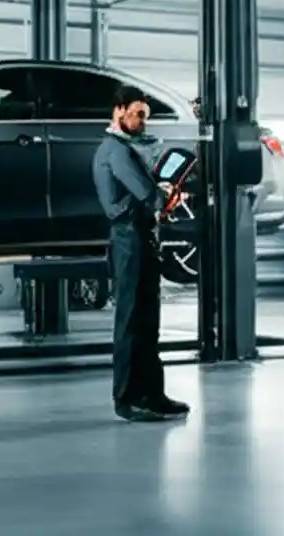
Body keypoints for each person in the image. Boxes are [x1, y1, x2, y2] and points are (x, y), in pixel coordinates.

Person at [92, 85, 191, 422]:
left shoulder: (129, 148)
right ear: (118, 110)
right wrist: (165, 194)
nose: (142, 122)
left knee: (149, 322)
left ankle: (152, 395)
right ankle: (127, 399)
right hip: (128, 240)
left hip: (143, 238)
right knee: (131, 321)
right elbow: (147, 193)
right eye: (137, 115)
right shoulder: (115, 151)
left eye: (145, 116)